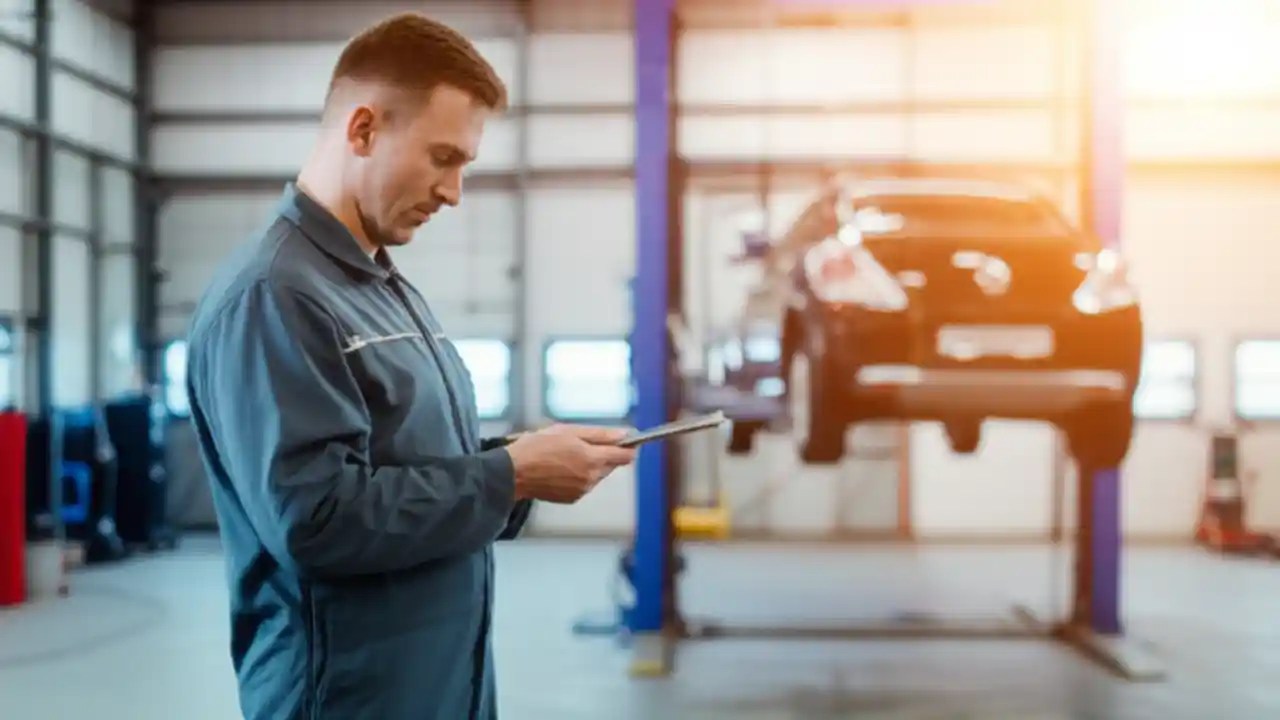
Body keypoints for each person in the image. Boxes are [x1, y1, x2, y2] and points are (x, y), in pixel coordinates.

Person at [184, 13, 637, 720]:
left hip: (437, 688)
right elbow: (317, 520)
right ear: (362, 130)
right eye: (443, 158)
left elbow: (406, 465)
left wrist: (518, 463)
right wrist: (509, 475)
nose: (454, 192)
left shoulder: (383, 290)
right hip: (348, 700)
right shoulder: (276, 295)